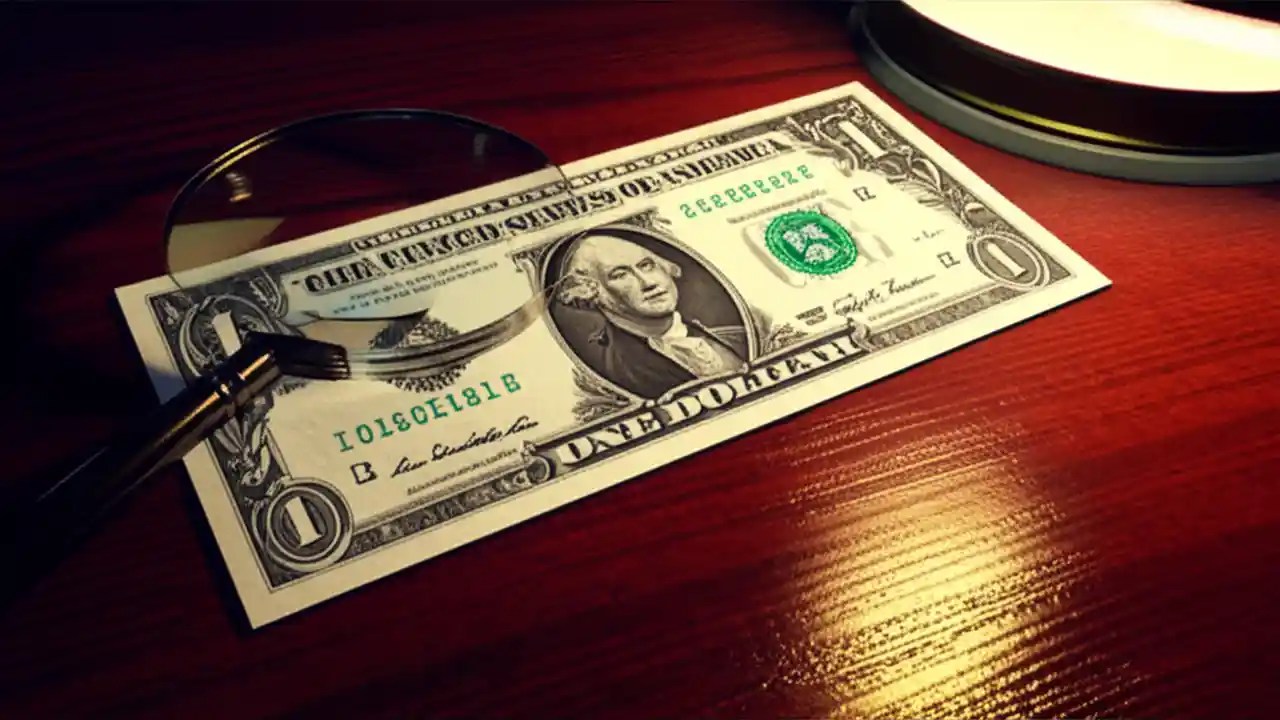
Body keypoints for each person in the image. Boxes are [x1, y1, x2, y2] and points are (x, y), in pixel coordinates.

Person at [557, 231, 748, 399]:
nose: (648, 282)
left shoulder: (736, 336)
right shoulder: (619, 370)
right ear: (591, 292)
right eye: (620, 275)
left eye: (646, 265)